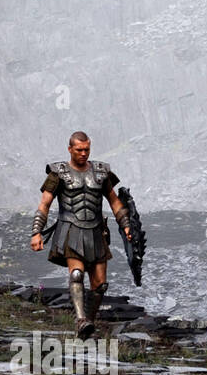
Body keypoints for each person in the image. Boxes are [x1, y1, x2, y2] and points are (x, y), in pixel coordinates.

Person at [30, 131, 131, 337]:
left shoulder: (101, 172)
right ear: (70, 149)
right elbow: (44, 204)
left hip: (96, 231)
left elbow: (114, 201)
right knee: (76, 275)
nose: (84, 153)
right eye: (79, 150)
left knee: (100, 285)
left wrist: (126, 224)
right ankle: (80, 320)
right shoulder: (57, 173)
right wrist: (36, 232)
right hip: (71, 228)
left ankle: (89, 323)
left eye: (87, 149)